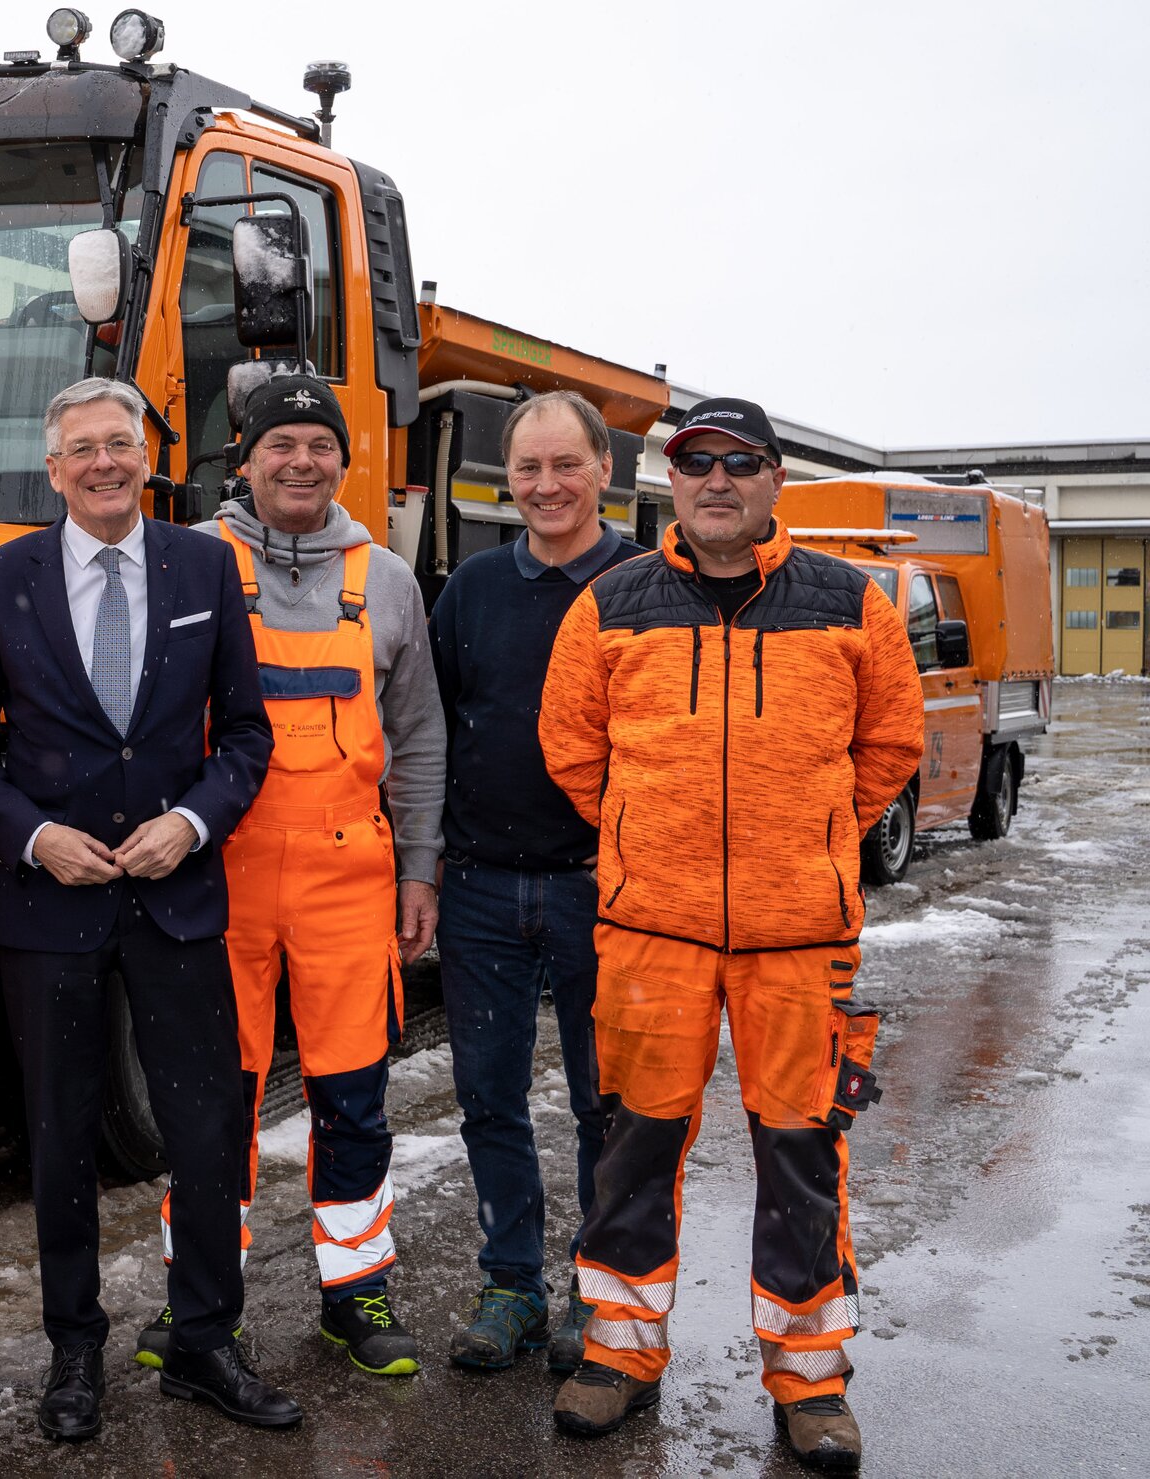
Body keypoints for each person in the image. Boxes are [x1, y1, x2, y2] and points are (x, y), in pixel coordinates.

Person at [539, 397, 922, 1472]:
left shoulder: (850, 603)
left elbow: (887, 745)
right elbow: (570, 748)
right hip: (648, 932)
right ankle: (617, 1355)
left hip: (798, 938)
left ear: (771, 481)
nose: (714, 479)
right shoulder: (611, 603)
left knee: (801, 1156)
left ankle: (808, 1379)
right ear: (669, 479)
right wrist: (637, 836)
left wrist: (803, 840)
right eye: (694, 461)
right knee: (633, 1149)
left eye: (737, 463)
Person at [0, 377, 292, 1440]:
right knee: (57, 1141)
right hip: (49, 910)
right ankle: (74, 1350)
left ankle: (201, 1343)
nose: (103, 462)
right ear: (53, 470)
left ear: (148, 461)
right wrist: (36, 838)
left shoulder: (202, 567)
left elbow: (244, 735)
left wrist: (189, 823)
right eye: (82, 448)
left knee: (203, 1125)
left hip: (176, 901)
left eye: (120, 445)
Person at [129, 374, 443, 1377]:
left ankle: (355, 1298)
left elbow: (419, 736)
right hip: (218, 879)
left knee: (351, 1099)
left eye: (317, 444)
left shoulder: (388, 580)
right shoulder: (187, 565)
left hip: (350, 878)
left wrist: (419, 870)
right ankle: (196, 1306)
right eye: (279, 444)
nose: (299, 460)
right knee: (209, 1102)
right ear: (245, 458)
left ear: (341, 462)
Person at [428, 391, 642, 1374]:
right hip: (478, 887)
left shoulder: (646, 588)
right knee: (488, 1096)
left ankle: (594, 1293)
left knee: (607, 1102)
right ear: (503, 479)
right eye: (526, 469)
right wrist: (422, 865)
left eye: (565, 465)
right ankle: (508, 1284)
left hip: (601, 889)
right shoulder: (470, 591)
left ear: (604, 469)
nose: (546, 486)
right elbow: (428, 732)